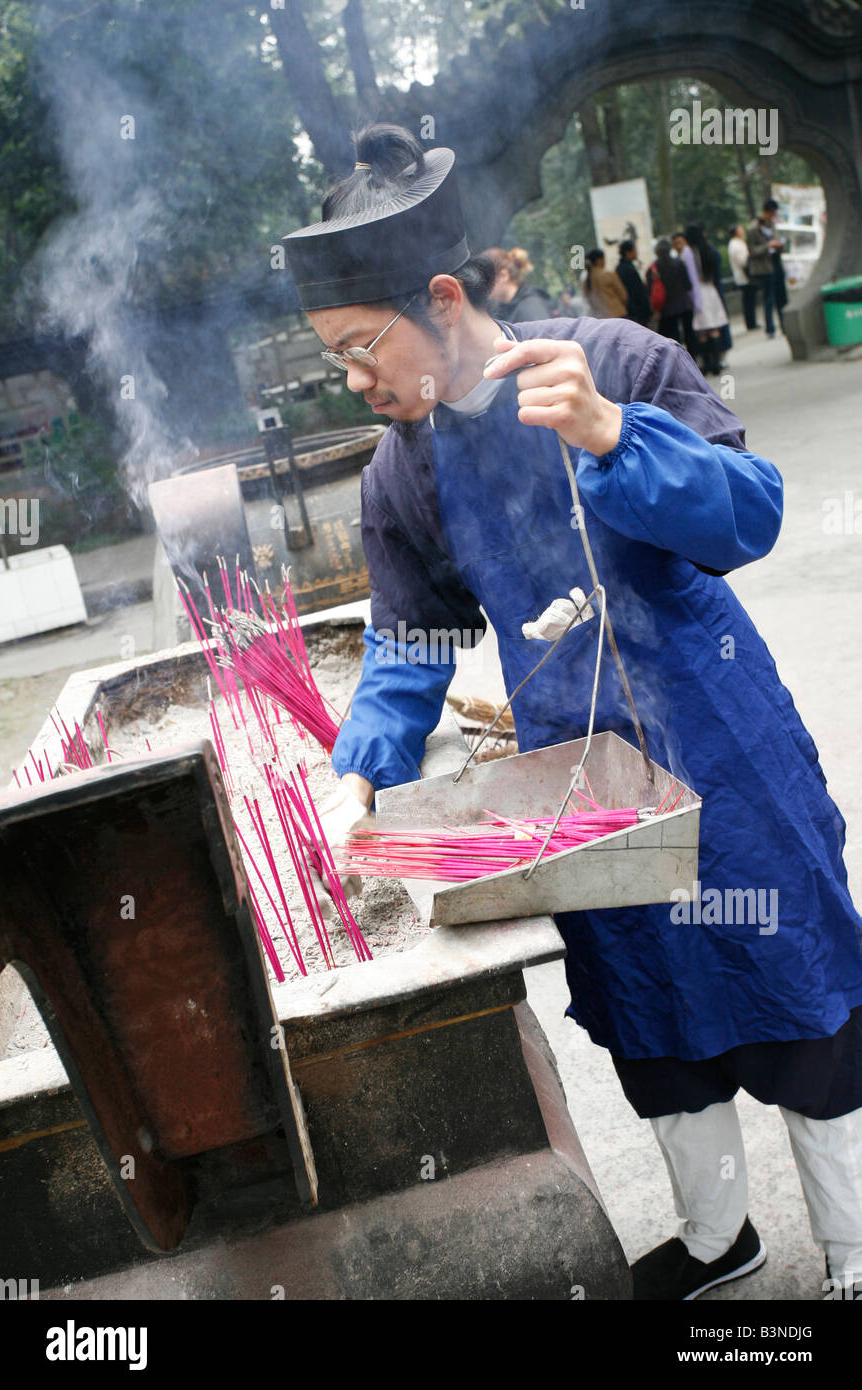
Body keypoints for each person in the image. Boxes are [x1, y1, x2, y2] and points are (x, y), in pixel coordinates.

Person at [284, 121, 862, 1302]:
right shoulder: (402, 470)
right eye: (334, 357)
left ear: (441, 298)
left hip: (721, 748)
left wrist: (607, 433)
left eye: (358, 347)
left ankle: (850, 1254)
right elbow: (412, 636)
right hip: (578, 785)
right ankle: (719, 1244)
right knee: (652, 1013)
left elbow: (745, 514)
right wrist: (361, 766)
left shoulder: (614, 359)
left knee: (796, 991)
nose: (352, 380)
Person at [684, 223, 729, 376]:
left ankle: (708, 363)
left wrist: (694, 301)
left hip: (699, 293)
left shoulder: (690, 252)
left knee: (702, 331)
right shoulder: (709, 250)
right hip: (711, 290)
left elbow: (691, 278)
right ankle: (717, 362)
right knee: (714, 329)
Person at [482, 245, 554, 323]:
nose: (482, 287)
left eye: (485, 279)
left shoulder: (531, 309)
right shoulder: (504, 307)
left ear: (503, 276)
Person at [647, 238, 694, 349]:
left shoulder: (653, 269)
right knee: (689, 333)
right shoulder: (678, 263)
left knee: (673, 337)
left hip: (667, 308)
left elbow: (650, 289)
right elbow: (688, 284)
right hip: (684, 303)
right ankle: (693, 357)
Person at [746, 199, 782, 338]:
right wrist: (767, 246)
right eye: (772, 213)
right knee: (768, 299)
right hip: (763, 268)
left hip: (775, 262)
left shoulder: (772, 225)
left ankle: (784, 325)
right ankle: (770, 328)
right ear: (767, 212)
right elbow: (752, 250)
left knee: (780, 297)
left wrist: (778, 246)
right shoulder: (753, 228)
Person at [670, 232, 702, 356]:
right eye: (676, 244)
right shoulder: (680, 258)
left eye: (680, 243)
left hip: (690, 298)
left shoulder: (686, 254)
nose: (678, 246)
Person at [729, 222, 759, 330]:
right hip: (744, 276)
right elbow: (742, 261)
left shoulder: (739, 242)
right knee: (748, 301)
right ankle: (751, 323)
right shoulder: (735, 244)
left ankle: (752, 322)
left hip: (745, 276)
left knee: (750, 300)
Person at [582, 248, 628, 318]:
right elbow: (623, 295)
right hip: (616, 314)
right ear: (599, 260)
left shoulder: (584, 279)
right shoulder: (607, 274)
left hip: (599, 318)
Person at [615, 240, 651, 326]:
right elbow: (638, 292)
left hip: (628, 312)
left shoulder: (619, 268)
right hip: (636, 312)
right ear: (628, 252)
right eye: (635, 250)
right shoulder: (629, 269)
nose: (637, 252)